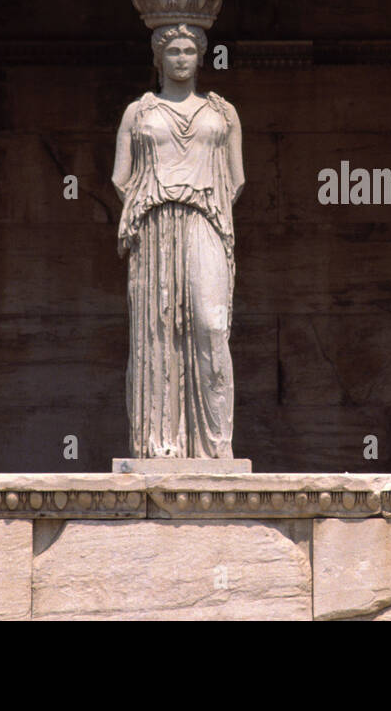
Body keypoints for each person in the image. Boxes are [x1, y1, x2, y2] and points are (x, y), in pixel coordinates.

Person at [112, 23, 244, 458]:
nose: (182, 58)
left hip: (207, 219)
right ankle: (159, 444)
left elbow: (236, 179)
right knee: (157, 329)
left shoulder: (223, 113)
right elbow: (120, 178)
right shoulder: (139, 113)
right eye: (173, 51)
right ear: (158, 58)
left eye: (190, 50)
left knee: (210, 324)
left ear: (201, 55)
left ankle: (214, 445)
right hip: (153, 227)